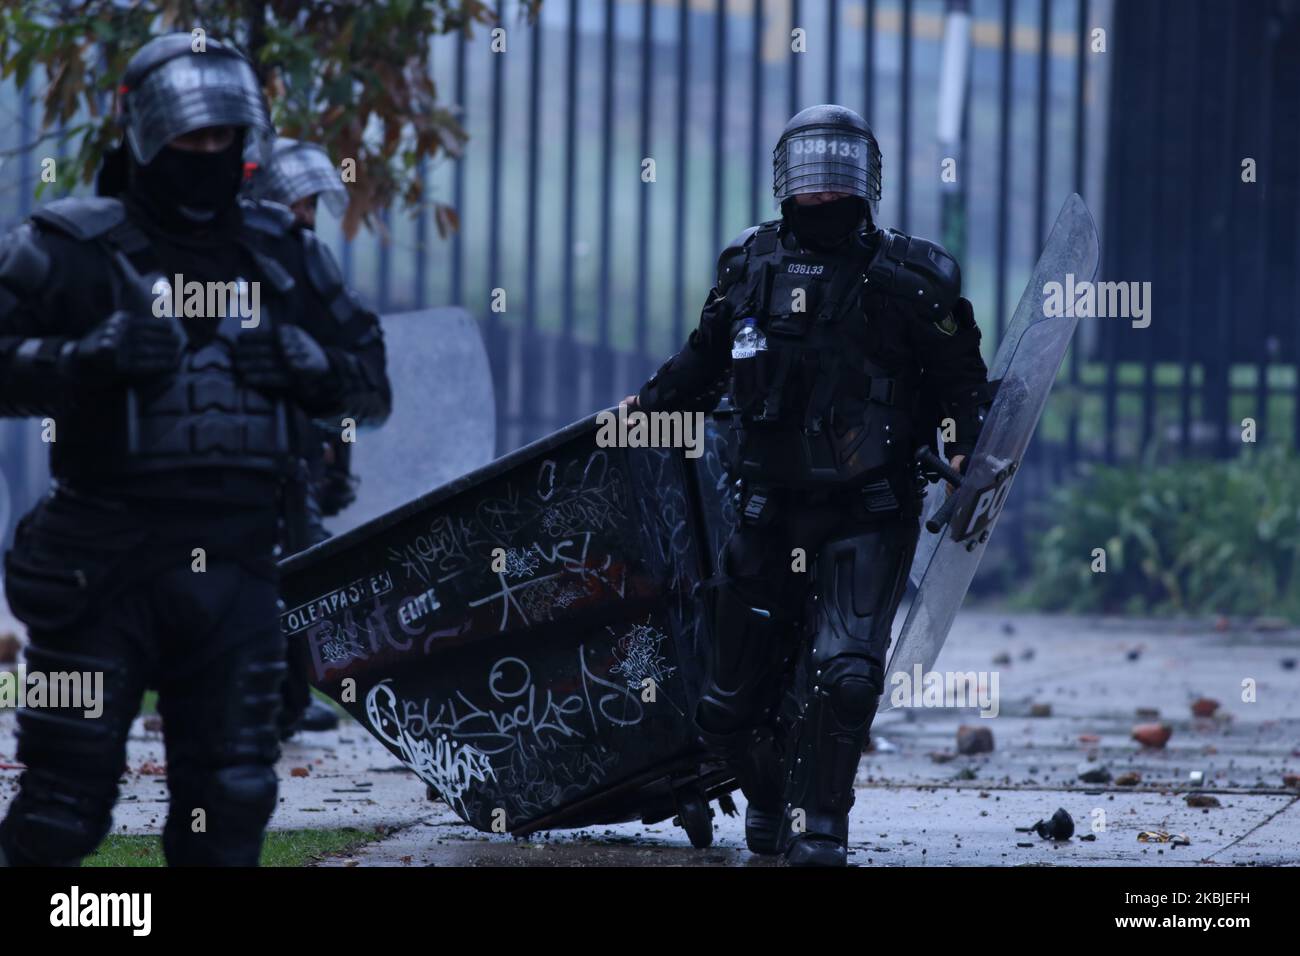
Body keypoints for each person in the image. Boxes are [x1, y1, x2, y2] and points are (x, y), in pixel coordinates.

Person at [0, 33, 391, 866]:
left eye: (224, 136)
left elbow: (371, 384)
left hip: (242, 573)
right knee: (60, 810)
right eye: (190, 137)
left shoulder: (283, 254)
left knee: (231, 807)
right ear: (142, 132)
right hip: (100, 568)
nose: (208, 154)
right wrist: (80, 362)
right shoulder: (67, 248)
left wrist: (310, 366)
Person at [625, 104, 993, 865]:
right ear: (784, 181)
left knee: (849, 677)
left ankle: (821, 827)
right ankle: (773, 800)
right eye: (810, 175)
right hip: (765, 507)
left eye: (838, 175)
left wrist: (963, 452)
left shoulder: (914, 279)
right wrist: (634, 418)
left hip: (870, 506)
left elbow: (966, 389)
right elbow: (698, 367)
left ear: (867, 182)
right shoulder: (747, 267)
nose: (822, 191)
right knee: (726, 710)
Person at [245, 137, 359, 738]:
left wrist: (338, 454)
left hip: (294, 454)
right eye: (300, 202)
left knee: (305, 571)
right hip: (249, 458)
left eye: (314, 203)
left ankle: (287, 699)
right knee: (259, 576)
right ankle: (264, 701)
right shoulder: (240, 270)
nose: (309, 215)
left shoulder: (307, 267)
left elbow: (337, 366)